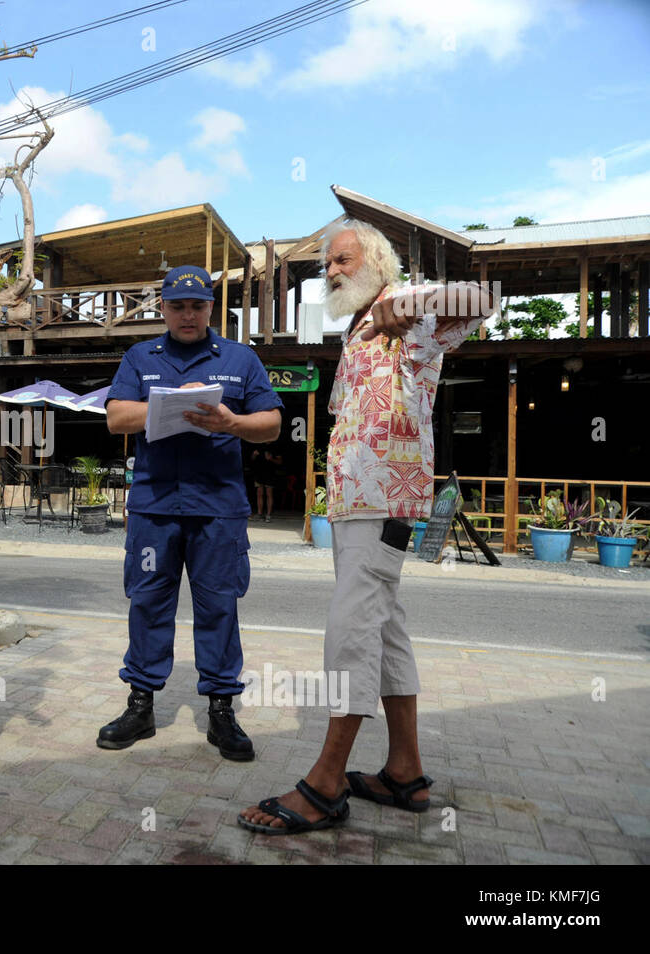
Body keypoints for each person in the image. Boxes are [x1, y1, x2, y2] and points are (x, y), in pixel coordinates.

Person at [239, 219, 495, 834]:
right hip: (360, 504)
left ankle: (325, 784)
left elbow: (486, 300)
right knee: (383, 633)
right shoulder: (358, 328)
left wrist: (405, 303)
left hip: (383, 500)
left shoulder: (407, 313)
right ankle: (405, 772)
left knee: (349, 630)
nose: (331, 271)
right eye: (327, 264)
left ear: (379, 264)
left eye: (343, 260)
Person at [98, 266, 283, 758]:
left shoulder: (240, 359)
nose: (187, 314)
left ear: (210, 309)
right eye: (177, 306)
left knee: (219, 605)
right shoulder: (141, 357)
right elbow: (116, 416)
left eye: (197, 306)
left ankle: (221, 712)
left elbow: (271, 425)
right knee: (147, 603)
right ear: (163, 307)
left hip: (218, 508)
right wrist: (169, 406)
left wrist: (232, 421)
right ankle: (140, 706)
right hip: (154, 508)